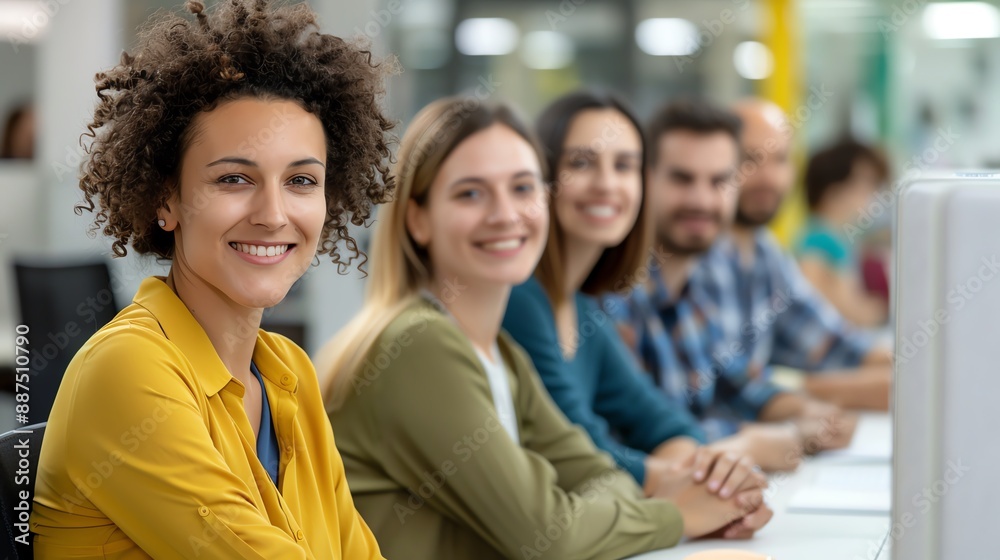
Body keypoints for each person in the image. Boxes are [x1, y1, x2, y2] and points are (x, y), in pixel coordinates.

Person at [317, 97, 771, 560]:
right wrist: (680, 516)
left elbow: (600, 476)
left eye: (522, 188)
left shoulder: (501, 356)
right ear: (418, 219)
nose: (505, 214)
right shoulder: (418, 347)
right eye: (470, 193)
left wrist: (607, 509)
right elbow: (552, 536)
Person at [31, 2, 392, 558]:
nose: (273, 214)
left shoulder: (288, 373)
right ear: (165, 200)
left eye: (300, 179)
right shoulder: (128, 368)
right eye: (233, 178)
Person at [502, 91, 777, 494]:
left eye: (625, 166)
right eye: (581, 163)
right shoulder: (520, 298)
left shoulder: (580, 306)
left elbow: (663, 420)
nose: (607, 184)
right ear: (541, 177)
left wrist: (692, 469)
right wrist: (687, 478)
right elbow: (583, 456)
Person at [606, 99, 852, 472]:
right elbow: (638, 437)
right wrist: (750, 441)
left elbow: (739, 384)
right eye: (682, 179)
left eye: (719, 181)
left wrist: (807, 412)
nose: (701, 200)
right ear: (645, 179)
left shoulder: (696, 291)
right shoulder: (613, 293)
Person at [706, 99, 892, 411]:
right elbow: (726, 392)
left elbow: (835, 343)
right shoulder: (700, 259)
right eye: (750, 159)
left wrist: (922, 365)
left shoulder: (766, 253)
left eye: (779, 159)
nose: (768, 177)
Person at [796, 138, 890, 327]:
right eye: (866, 183)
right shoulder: (819, 241)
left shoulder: (838, 240)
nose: (872, 194)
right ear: (834, 190)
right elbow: (823, 310)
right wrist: (876, 311)